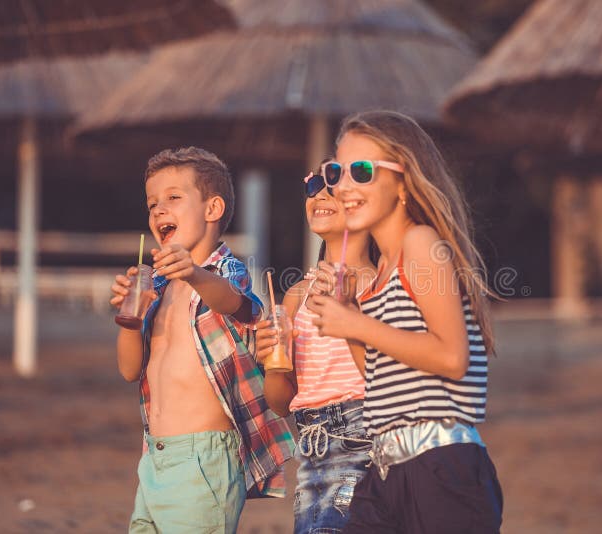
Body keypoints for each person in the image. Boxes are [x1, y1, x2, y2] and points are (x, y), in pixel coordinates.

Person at [306, 111, 503, 533]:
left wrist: (356, 325)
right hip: (385, 474)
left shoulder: (421, 243)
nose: (342, 186)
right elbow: (376, 377)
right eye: (336, 171)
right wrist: (351, 316)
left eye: (361, 171)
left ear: (404, 180)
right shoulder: (381, 273)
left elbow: (452, 358)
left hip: (441, 469)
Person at [109, 147, 293, 534]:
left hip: (204, 459)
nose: (159, 210)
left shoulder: (223, 272)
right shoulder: (157, 289)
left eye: (173, 198)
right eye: (152, 202)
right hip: (154, 457)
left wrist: (194, 274)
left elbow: (235, 304)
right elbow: (129, 370)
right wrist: (130, 319)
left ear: (212, 209)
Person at [253, 169, 377, 533]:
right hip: (310, 450)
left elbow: (388, 382)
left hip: (363, 440)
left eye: (333, 182)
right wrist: (273, 363)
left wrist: (350, 310)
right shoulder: (296, 297)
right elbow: (282, 402)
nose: (319, 192)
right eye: (311, 184)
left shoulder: (380, 284)